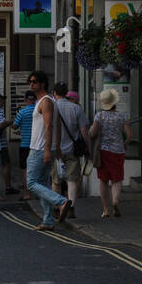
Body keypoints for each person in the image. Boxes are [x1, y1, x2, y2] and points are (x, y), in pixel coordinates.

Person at [26, 71, 70, 231]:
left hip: (39, 149)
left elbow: (49, 126)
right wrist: (56, 148)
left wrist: (47, 150)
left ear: (43, 83)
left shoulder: (46, 102)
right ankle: (48, 221)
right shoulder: (50, 101)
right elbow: (58, 126)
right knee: (43, 183)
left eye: (34, 81)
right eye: (30, 81)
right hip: (47, 148)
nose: (31, 84)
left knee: (31, 183)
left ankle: (61, 201)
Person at [90, 89, 130, 218]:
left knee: (103, 180)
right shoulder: (121, 116)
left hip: (103, 151)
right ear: (115, 102)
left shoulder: (99, 116)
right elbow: (130, 135)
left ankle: (106, 209)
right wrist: (125, 143)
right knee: (117, 179)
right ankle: (115, 201)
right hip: (118, 151)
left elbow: (92, 133)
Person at [53, 82, 90, 219]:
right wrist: (88, 147)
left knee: (56, 181)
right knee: (72, 180)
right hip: (72, 150)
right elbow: (84, 131)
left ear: (54, 93)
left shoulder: (52, 107)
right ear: (66, 92)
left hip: (55, 150)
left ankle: (57, 207)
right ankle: (71, 207)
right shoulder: (76, 108)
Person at [13, 90, 37, 201]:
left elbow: (14, 126)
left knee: (26, 170)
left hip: (25, 144)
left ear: (25, 100)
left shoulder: (22, 112)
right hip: (37, 144)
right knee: (38, 169)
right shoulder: (39, 110)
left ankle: (27, 194)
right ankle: (38, 193)